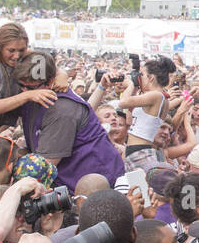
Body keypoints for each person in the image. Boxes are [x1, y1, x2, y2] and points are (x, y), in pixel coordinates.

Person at [15, 51, 125, 190]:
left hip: (94, 186)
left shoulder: (61, 110)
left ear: (50, 82)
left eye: (30, 88)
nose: (25, 92)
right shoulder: (37, 91)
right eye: (21, 85)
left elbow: (42, 168)